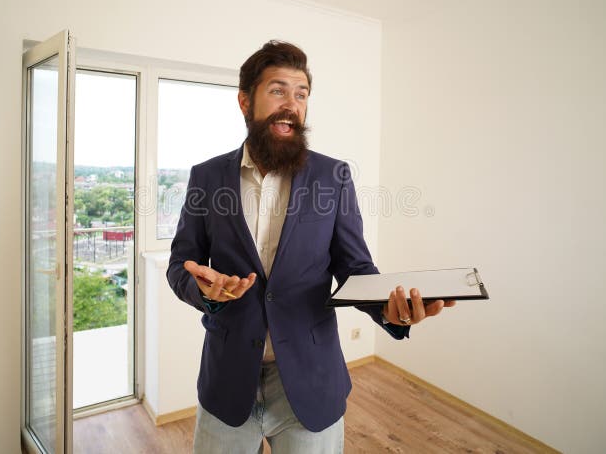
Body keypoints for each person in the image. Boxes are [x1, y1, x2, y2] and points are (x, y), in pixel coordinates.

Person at [166, 40, 454, 453]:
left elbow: (355, 269)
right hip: (227, 381)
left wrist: (391, 313)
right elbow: (181, 265)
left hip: (310, 382)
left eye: (301, 94)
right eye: (278, 90)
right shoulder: (206, 177)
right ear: (245, 102)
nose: (292, 104)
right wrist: (204, 291)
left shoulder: (332, 176)